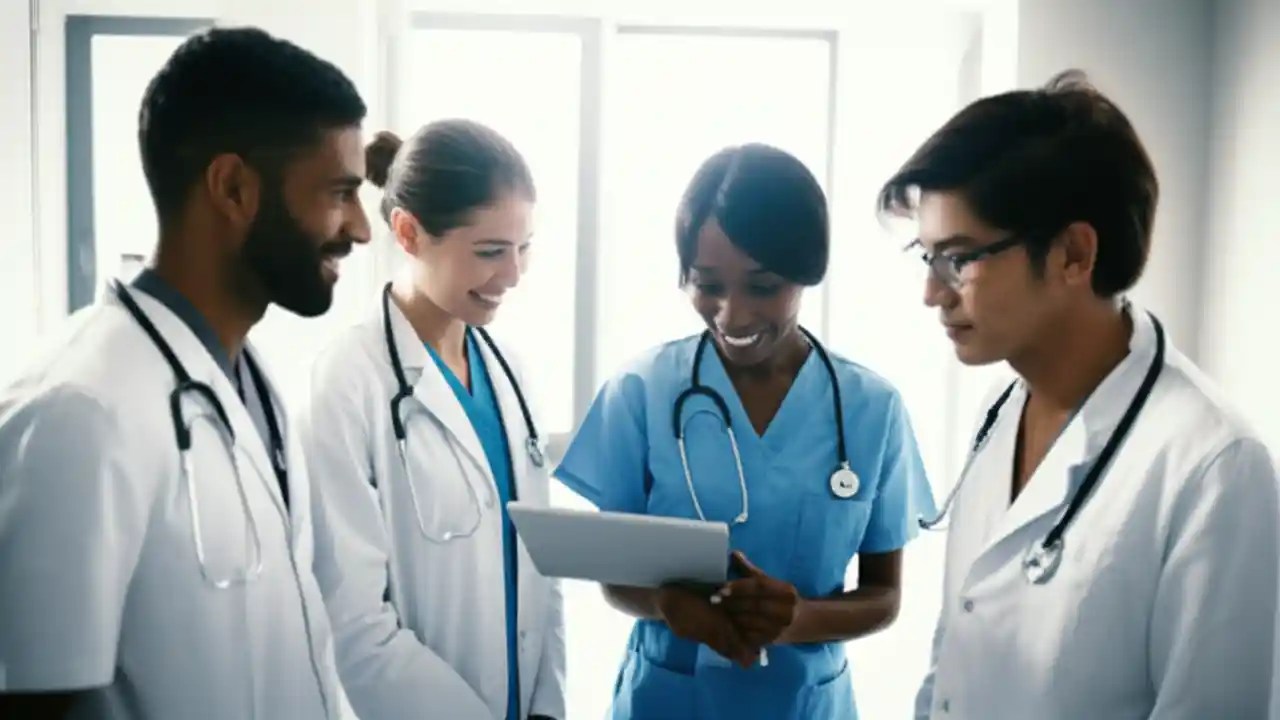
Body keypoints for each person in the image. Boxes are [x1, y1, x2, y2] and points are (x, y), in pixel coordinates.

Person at [880, 70, 1280, 719]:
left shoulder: (1215, 466)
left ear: (1073, 253)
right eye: (927, 258)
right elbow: (953, 663)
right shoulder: (1000, 412)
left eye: (959, 259)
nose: (933, 292)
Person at [0, 26, 370, 719]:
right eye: (339, 192)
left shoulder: (248, 382)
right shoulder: (80, 411)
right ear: (234, 188)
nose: (359, 227)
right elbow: (40, 701)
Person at [554, 143, 936, 719]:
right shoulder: (643, 390)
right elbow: (617, 578)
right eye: (707, 284)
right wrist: (666, 604)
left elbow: (883, 597)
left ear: (808, 271)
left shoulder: (871, 408)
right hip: (667, 698)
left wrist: (797, 619)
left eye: (762, 287)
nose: (731, 315)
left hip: (802, 702)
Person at [301, 120, 565, 720]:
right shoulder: (349, 382)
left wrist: (549, 707)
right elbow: (355, 626)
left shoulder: (512, 376)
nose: (515, 274)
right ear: (409, 233)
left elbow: (540, 571)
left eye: (523, 248)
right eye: (490, 252)